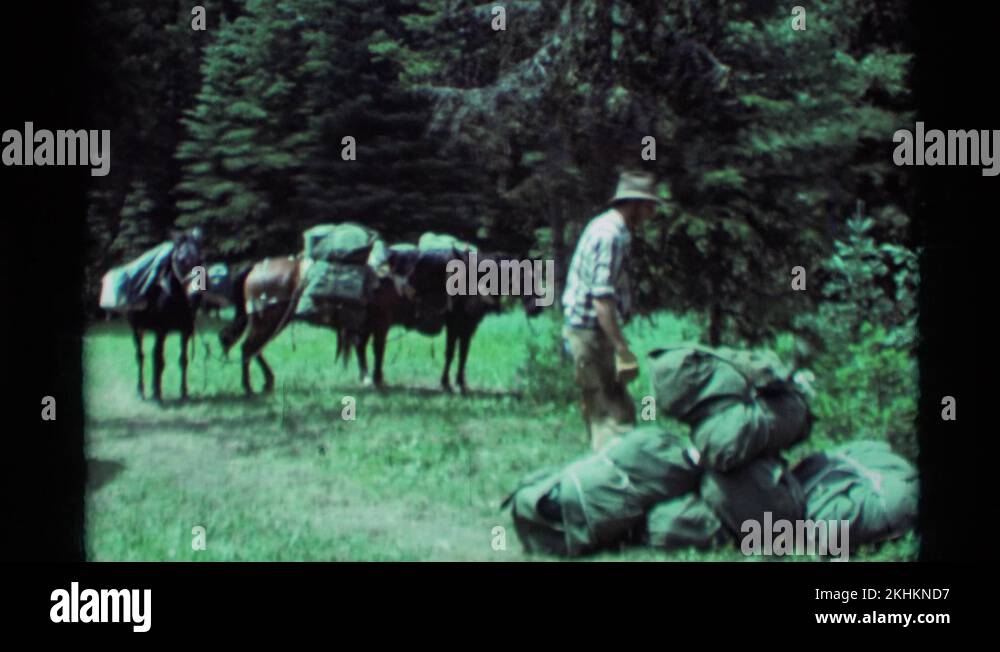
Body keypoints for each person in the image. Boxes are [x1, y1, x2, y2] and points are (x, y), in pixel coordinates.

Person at [561, 170, 664, 451]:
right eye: (649, 205)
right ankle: (614, 479)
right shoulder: (610, 236)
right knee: (614, 415)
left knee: (602, 408)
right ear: (634, 203)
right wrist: (622, 348)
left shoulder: (611, 229)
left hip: (589, 331)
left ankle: (603, 470)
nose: (652, 212)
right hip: (590, 333)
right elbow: (601, 298)